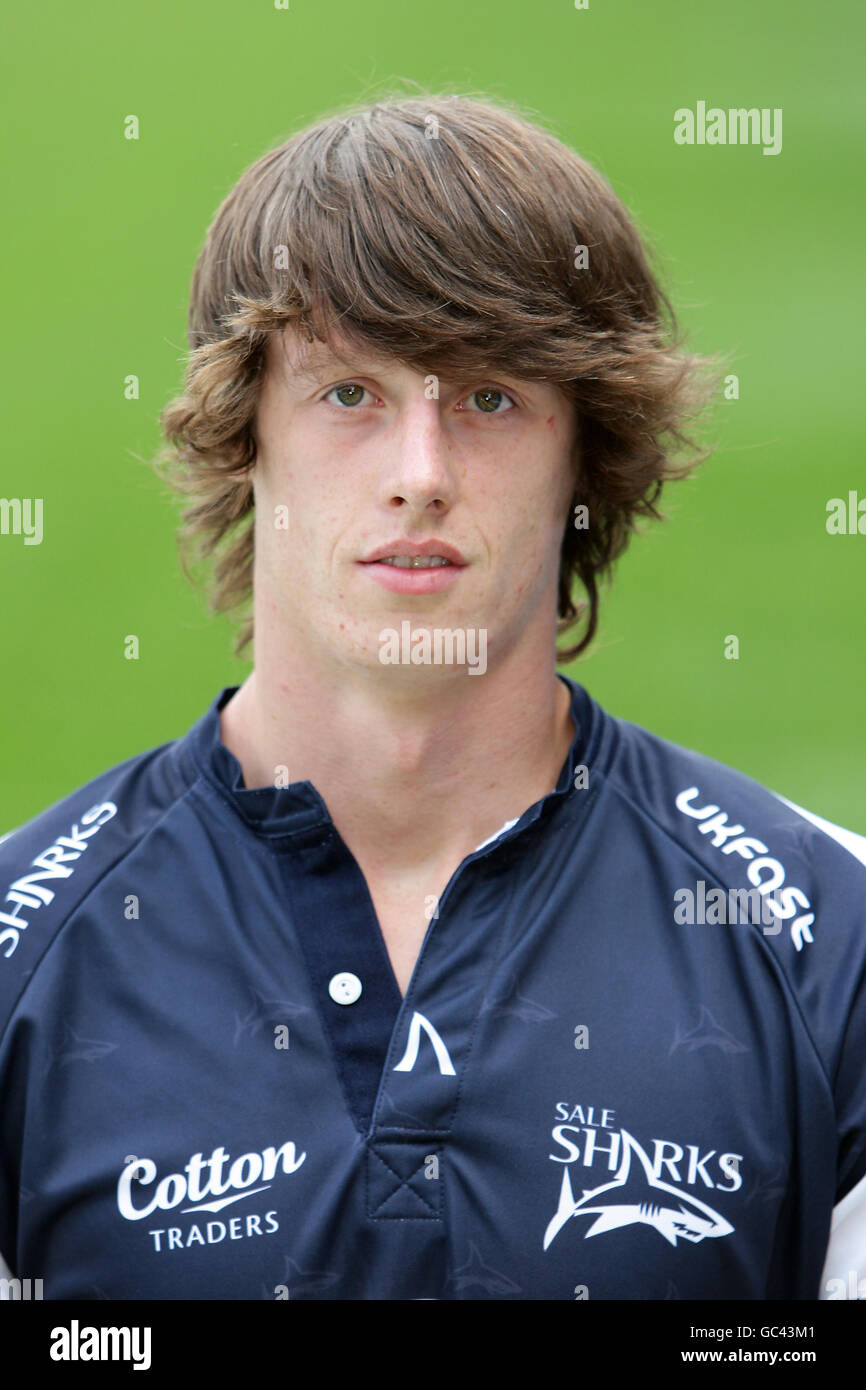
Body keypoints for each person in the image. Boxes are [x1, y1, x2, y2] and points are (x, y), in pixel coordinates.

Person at [1, 91, 863, 1302]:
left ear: (587, 452)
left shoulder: (829, 944)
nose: (421, 474)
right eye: (349, 394)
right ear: (245, 435)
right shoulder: (22, 955)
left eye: (490, 398)